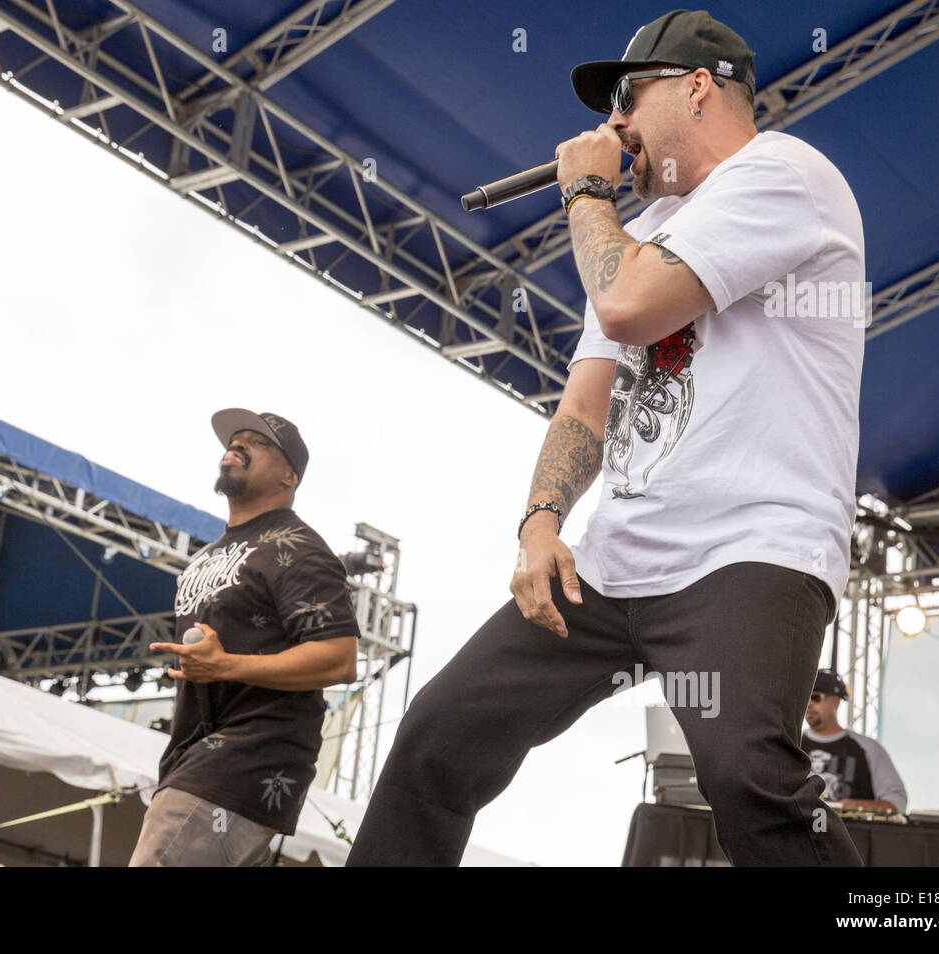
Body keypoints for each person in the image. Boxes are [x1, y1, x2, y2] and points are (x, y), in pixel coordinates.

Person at [347, 9, 867, 866]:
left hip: (751, 549)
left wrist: (585, 191)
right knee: (438, 735)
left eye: (627, 96)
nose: (612, 124)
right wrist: (540, 524)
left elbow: (629, 302)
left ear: (699, 87)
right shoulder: (638, 237)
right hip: (615, 562)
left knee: (748, 777)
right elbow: (585, 408)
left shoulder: (783, 173)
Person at [128, 409, 359, 866]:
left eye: (257, 442)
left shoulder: (297, 547)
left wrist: (224, 665)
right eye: (235, 440)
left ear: (290, 475)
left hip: (249, 760)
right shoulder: (205, 557)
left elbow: (339, 659)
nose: (236, 446)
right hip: (192, 761)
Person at [804, 669, 908, 814]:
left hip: (850, 835)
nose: (808, 704)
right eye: (805, 697)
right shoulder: (791, 745)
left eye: (816, 697)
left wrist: (853, 806)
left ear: (836, 701)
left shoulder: (868, 748)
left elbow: (897, 803)